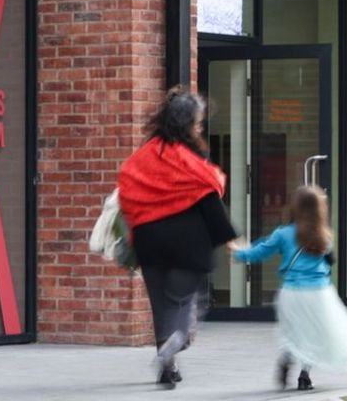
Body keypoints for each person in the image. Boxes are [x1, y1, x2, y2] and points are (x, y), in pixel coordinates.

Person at [118, 85, 238, 389]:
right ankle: (177, 341)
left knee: (163, 304)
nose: (200, 127)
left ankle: (167, 366)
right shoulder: (190, 161)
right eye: (198, 122)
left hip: (148, 241)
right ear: (187, 125)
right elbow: (210, 203)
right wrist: (230, 240)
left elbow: (127, 194)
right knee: (187, 298)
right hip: (187, 245)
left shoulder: (143, 157)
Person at [232, 186, 346, 391]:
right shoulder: (324, 235)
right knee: (314, 334)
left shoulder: (283, 234)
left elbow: (261, 251)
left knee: (293, 332)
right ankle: (304, 376)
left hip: (291, 293)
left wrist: (239, 253)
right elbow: (331, 261)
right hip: (319, 293)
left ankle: (286, 357)